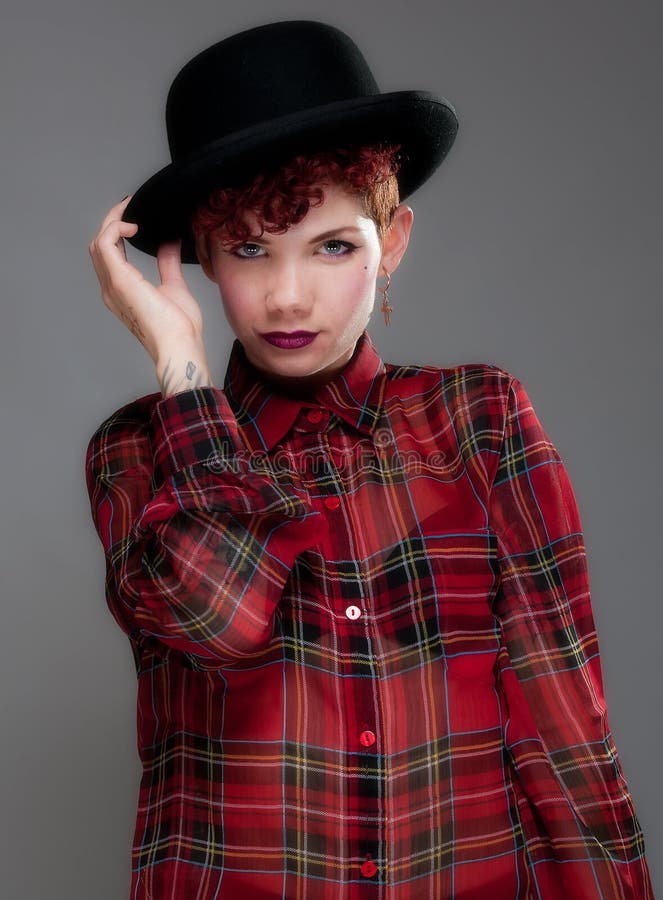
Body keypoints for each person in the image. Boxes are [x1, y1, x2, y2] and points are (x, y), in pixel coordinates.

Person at [85, 19, 653, 900]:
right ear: (197, 258)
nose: (286, 295)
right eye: (246, 249)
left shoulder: (479, 421)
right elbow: (215, 618)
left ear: (392, 243)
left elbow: (563, 722)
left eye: (333, 247)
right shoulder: (140, 446)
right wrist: (183, 372)